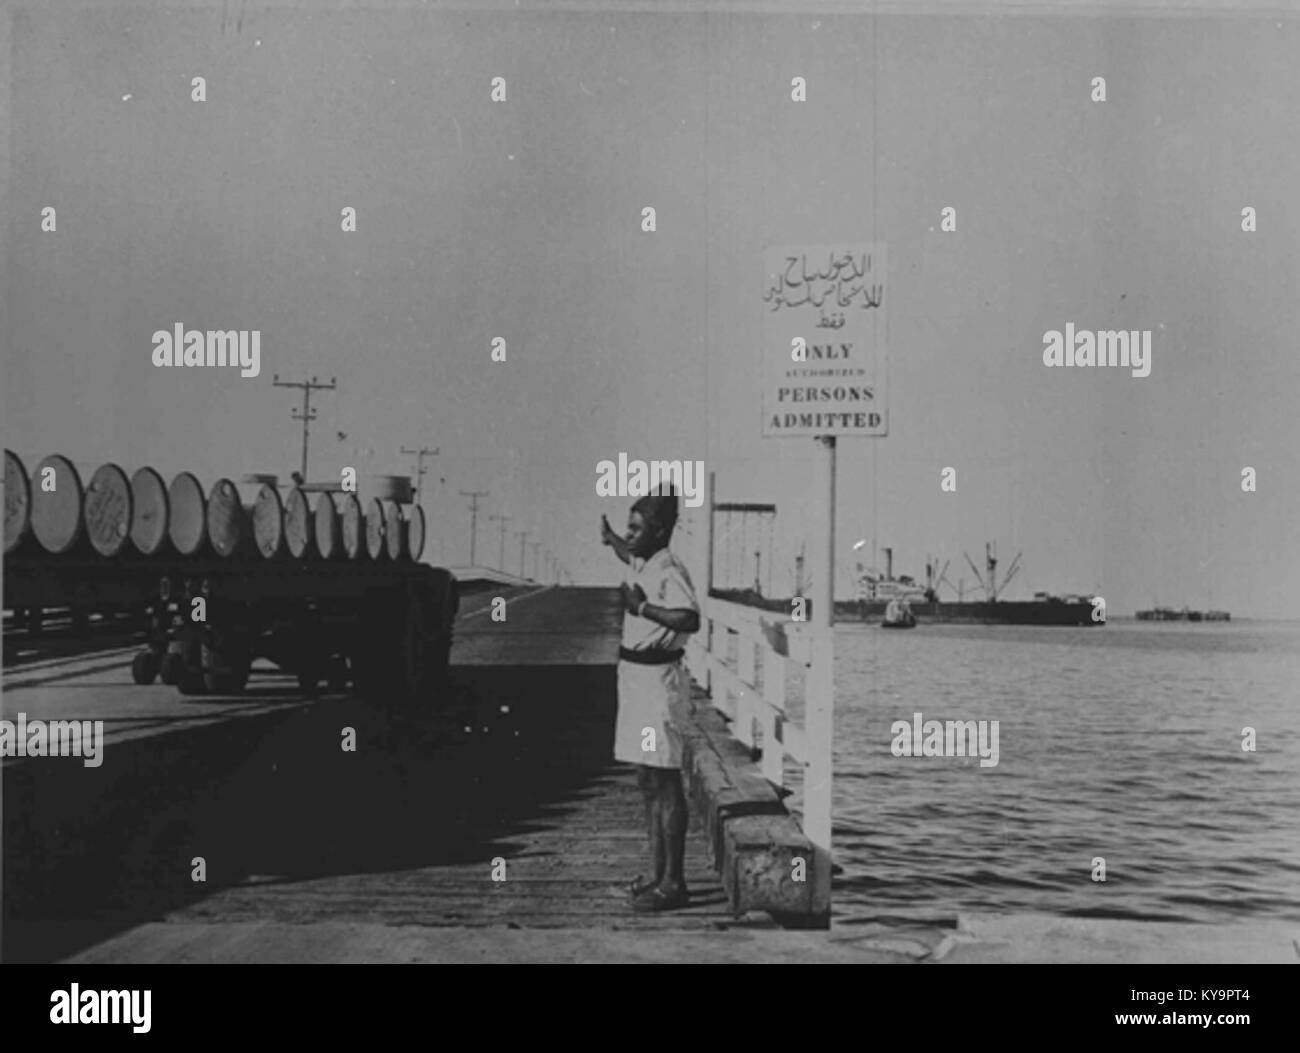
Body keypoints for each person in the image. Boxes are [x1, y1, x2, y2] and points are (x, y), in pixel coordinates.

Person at [600, 491, 700, 911]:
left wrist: (642, 609)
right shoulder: (644, 557)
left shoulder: (668, 569)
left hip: (659, 683)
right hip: (637, 680)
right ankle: (657, 873)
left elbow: (689, 618)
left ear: (660, 532)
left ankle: (674, 883)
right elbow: (629, 552)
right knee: (647, 779)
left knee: (664, 779)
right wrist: (612, 540)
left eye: (636, 528)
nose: (629, 535)